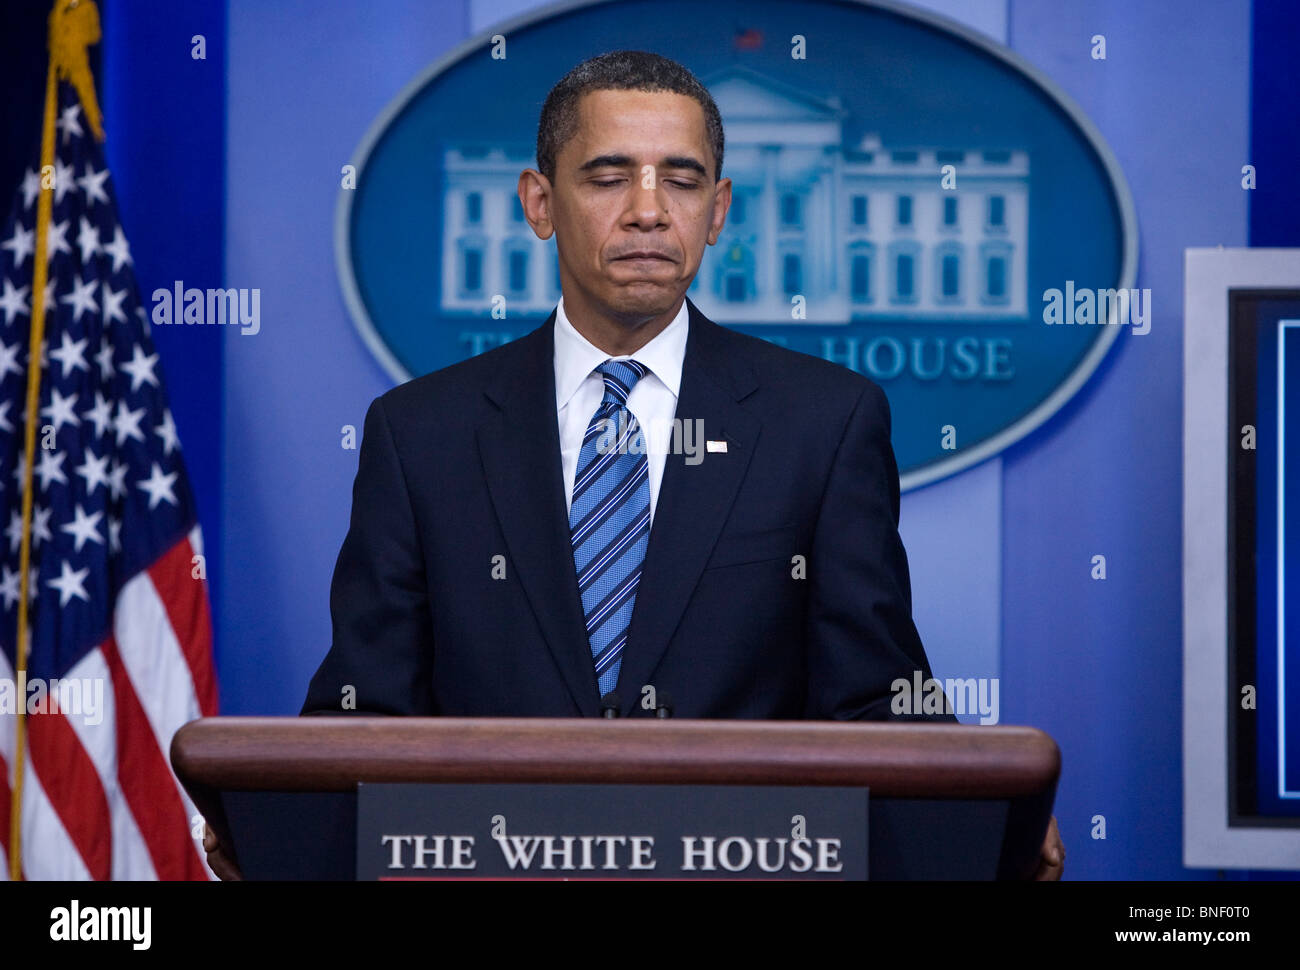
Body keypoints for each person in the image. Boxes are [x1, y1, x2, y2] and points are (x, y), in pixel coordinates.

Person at [206, 50, 1063, 879]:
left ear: (718, 210)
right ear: (539, 203)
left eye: (682, 180)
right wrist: (284, 818)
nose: (649, 210)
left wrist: (981, 816)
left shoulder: (824, 423)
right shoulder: (419, 434)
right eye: (609, 176)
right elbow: (366, 712)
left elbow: (875, 701)